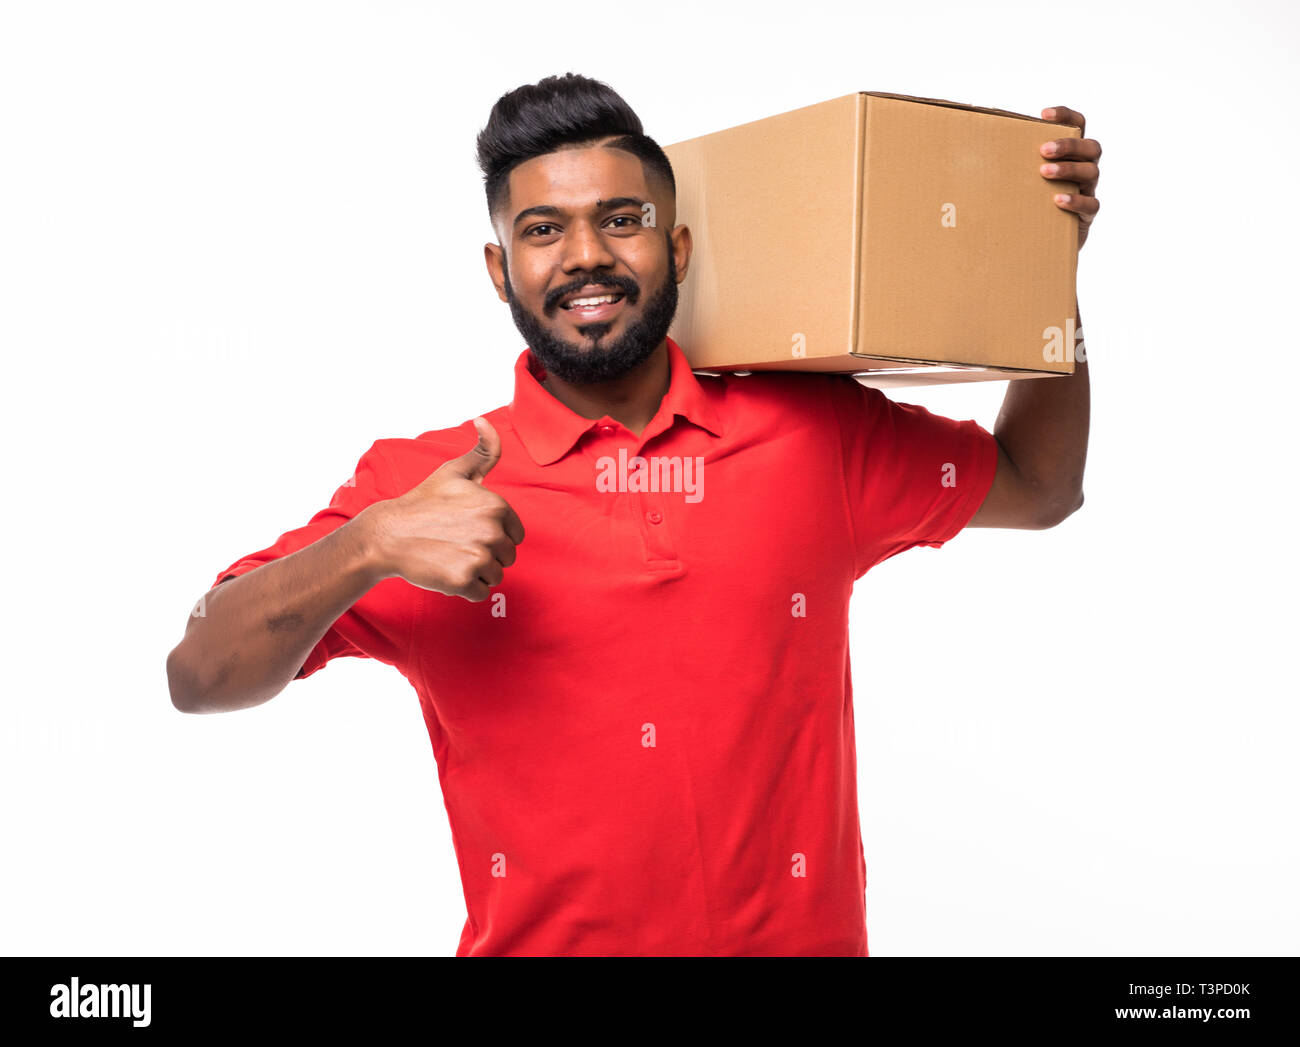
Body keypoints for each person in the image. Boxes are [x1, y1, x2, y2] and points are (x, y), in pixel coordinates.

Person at [166, 73, 1099, 956]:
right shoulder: (425, 487)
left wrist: (1043, 263)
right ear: (499, 269)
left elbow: (1038, 483)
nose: (586, 256)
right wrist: (367, 546)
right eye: (543, 230)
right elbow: (199, 674)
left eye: (622, 220)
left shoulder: (814, 433)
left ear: (677, 247)